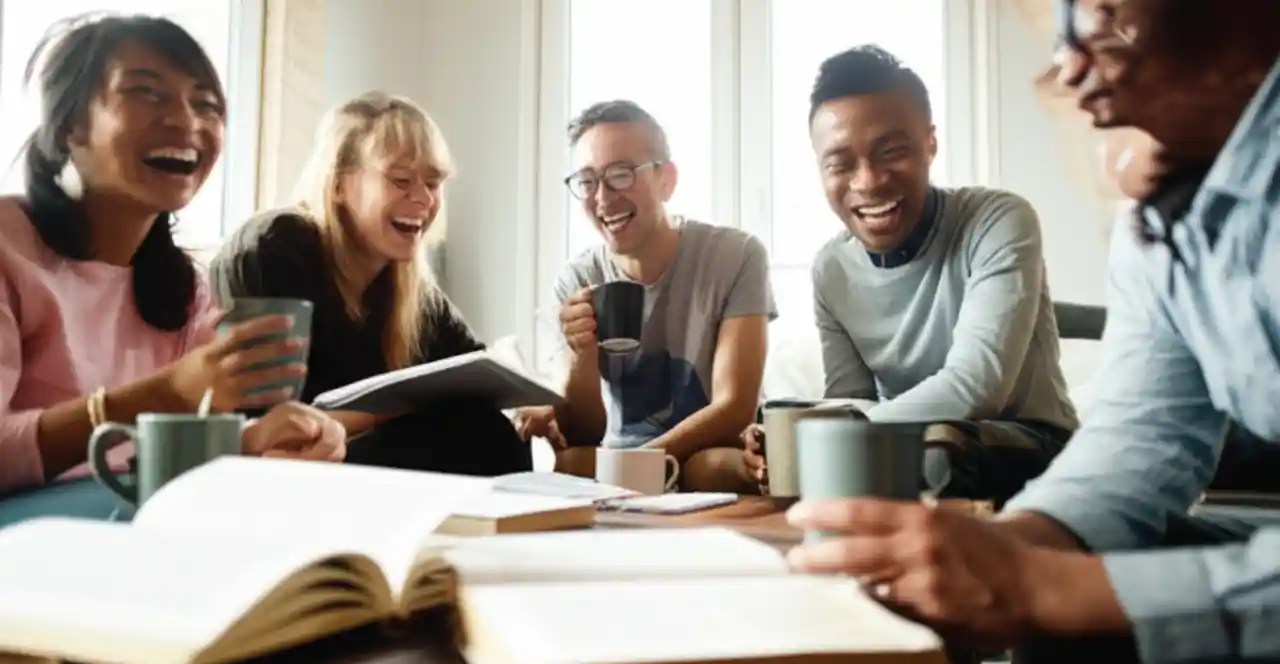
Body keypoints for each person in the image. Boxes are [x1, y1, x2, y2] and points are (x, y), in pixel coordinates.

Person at [784, 2, 1280, 664]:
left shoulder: (998, 217)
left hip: (1016, 441)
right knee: (1061, 565)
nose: (1069, 66)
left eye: (1102, 16)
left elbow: (976, 383)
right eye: (1057, 32)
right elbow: (1141, 439)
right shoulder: (1156, 222)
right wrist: (1006, 551)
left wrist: (1046, 587)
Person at [0, 14, 345, 495]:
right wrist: (166, 391)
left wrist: (255, 439)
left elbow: (161, 449)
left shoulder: (185, 287)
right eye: (146, 93)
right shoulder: (9, 246)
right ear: (67, 127)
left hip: (132, 530)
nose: (186, 122)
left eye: (206, 105)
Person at [744, 46, 1079, 507]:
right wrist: (792, 440)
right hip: (897, 450)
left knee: (936, 452)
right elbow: (851, 400)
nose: (868, 181)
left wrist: (830, 441)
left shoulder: (998, 220)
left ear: (930, 144)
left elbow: (977, 385)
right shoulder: (831, 268)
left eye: (892, 152)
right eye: (840, 163)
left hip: (1027, 442)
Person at [211, 91, 530, 476]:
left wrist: (529, 406)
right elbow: (271, 423)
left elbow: (476, 375)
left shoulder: (410, 287)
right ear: (339, 185)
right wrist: (395, 410)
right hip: (283, 465)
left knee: (489, 431)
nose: (423, 199)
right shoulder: (276, 246)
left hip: (353, 461)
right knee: (475, 432)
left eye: (433, 183)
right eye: (400, 180)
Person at [516, 100, 774, 491]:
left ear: (666, 179)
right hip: (617, 456)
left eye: (620, 175)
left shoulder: (735, 256)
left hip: (709, 449)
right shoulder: (579, 278)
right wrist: (580, 356)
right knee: (571, 462)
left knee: (711, 467)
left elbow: (735, 406)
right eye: (587, 181)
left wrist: (640, 465)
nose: (602, 198)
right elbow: (582, 431)